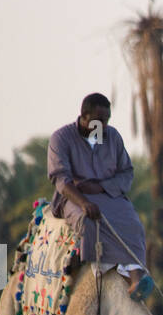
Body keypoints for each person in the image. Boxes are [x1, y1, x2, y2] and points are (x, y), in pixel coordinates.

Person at [47, 93, 152, 300]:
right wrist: (84, 201)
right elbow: (60, 179)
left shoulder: (113, 137)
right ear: (84, 117)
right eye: (99, 121)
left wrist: (102, 187)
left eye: (107, 120)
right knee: (88, 221)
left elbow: (126, 172)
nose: (103, 126)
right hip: (73, 197)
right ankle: (101, 273)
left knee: (132, 223)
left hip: (108, 194)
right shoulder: (61, 138)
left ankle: (135, 275)